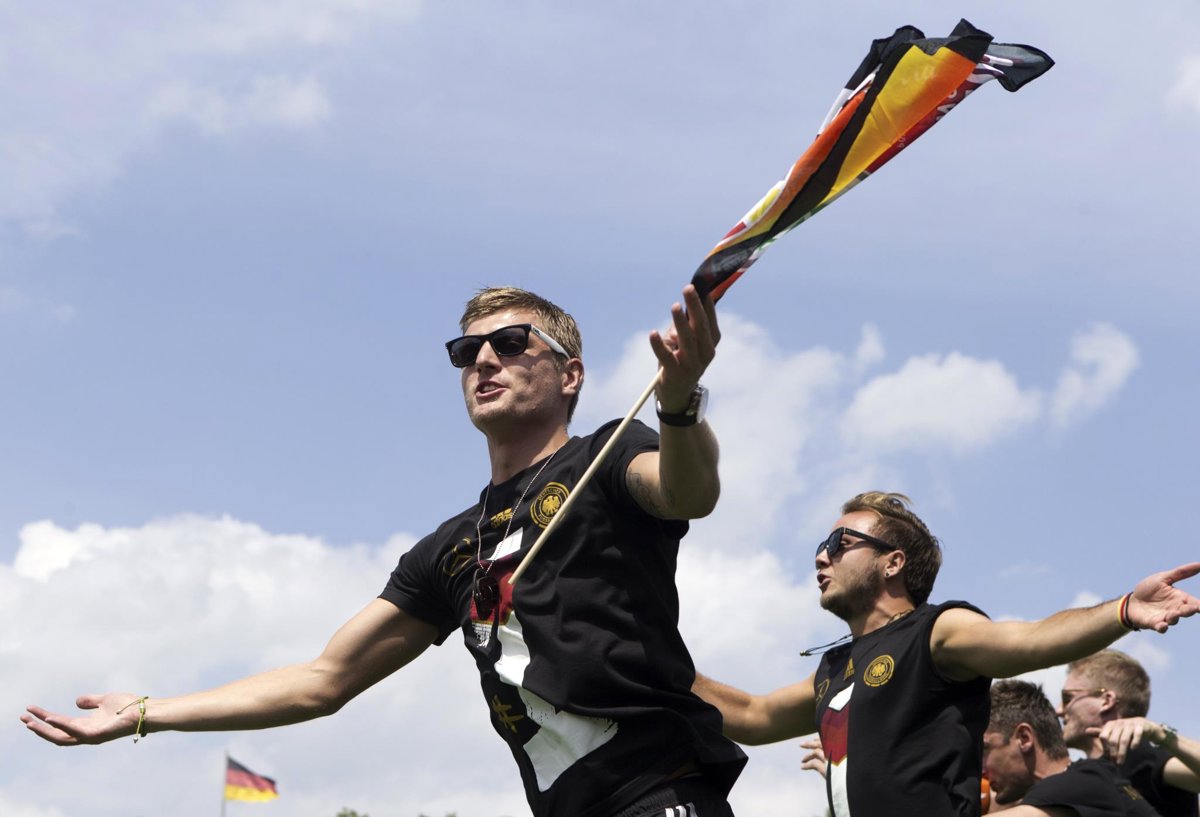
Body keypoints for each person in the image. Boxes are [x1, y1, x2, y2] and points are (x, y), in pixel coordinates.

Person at [22, 284, 748, 817]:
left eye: (512, 342)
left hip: (660, 791)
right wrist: (147, 712)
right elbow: (321, 679)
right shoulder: (449, 547)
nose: (484, 359)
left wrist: (680, 404)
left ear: (570, 373)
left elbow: (688, 492)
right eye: (467, 351)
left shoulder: (610, 452)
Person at [692, 492, 1200, 817]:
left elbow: (1030, 640)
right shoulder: (833, 671)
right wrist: (635, 656)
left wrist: (1125, 608)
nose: (821, 555)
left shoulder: (936, 632)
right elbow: (752, 716)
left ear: (893, 563)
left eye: (840, 542)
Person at [983, 679, 1160, 817]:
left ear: (1024, 738)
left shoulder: (1080, 783)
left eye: (984, 750)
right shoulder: (1088, 780)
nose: (982, 769)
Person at [1059, 650, 1200, 817]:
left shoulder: (1137, 755)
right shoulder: (1088, 770)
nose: (1059, 710)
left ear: (1106, 701)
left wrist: (1160, 734)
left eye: (1067, 698)